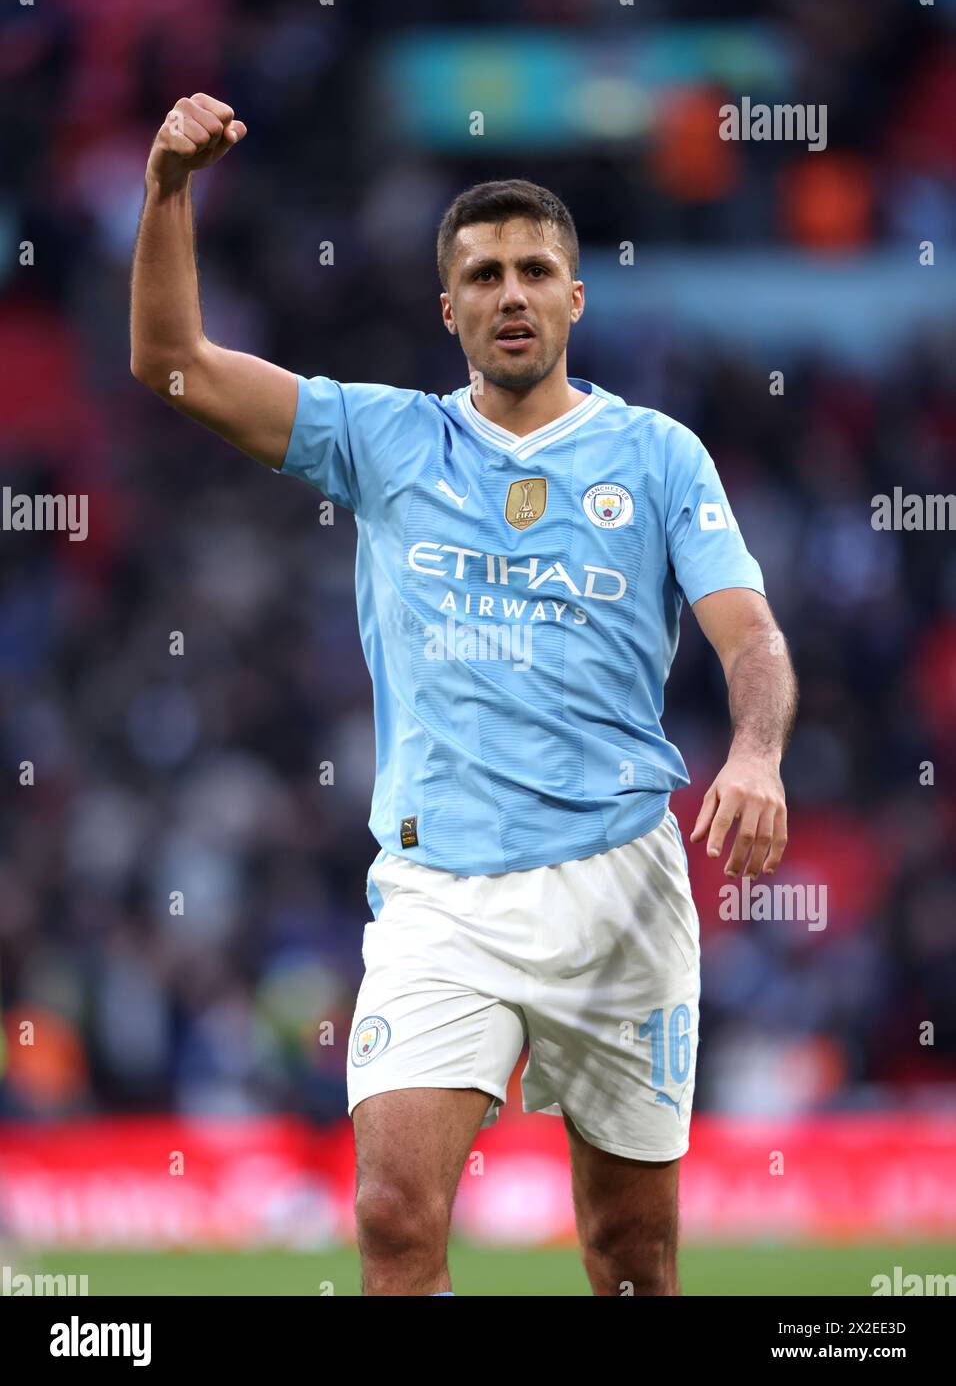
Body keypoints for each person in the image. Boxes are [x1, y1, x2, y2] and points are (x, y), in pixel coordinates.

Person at [130, 93, 798, 1296]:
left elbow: (746, 632)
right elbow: (173, 365)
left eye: (535, 269)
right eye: (483, 274)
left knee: (632, 1254)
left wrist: (753, 749)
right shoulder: (385, 439)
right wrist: (168, 190)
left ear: (573, 299)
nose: (510, 292)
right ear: (448, 310)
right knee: (392, 1214)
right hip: (440, 893)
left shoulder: (655, 456)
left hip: (622, 889)